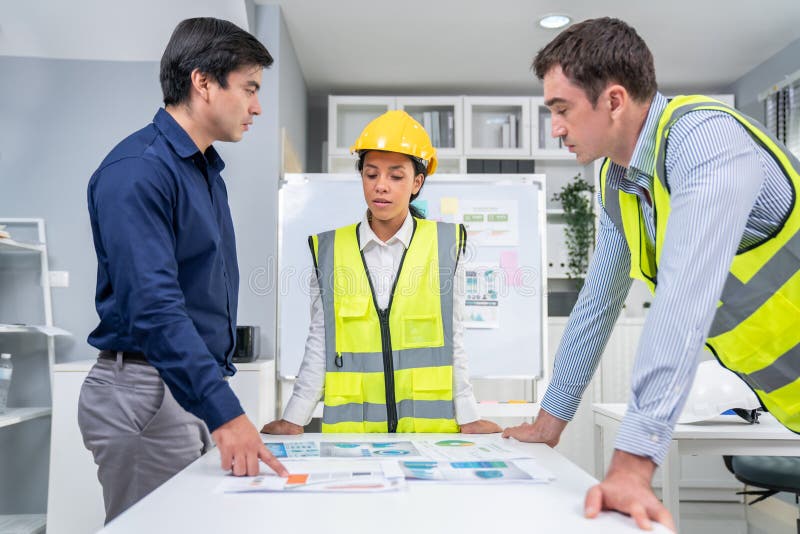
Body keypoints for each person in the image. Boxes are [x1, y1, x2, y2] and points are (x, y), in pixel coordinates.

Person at [503, 16, 799, 532]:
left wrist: (633, 465)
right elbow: (597, 304)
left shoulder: (705, 140)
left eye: (562, 108)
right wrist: (546, 425)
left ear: (613, 101)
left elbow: (686, 294)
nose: (555, 127)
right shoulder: (619, 184)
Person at [78, 17, 288, 523]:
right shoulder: (138, 171)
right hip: (146, 391)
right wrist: (226, 412)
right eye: (249, 88)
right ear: (202, 82)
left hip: (186, 385)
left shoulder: (203, 171)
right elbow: (153, 309)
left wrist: (217, 398)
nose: (257, 106)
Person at [261, 110, 501, 435]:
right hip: (354, 444)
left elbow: (453, 339)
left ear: (417, 183)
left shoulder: (445, 245)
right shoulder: (329, 250)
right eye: (371, 175)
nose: (381, 187)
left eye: (396, 176)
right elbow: (321, 340)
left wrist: (468, 415)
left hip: (428, 438)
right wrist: (294, 418)